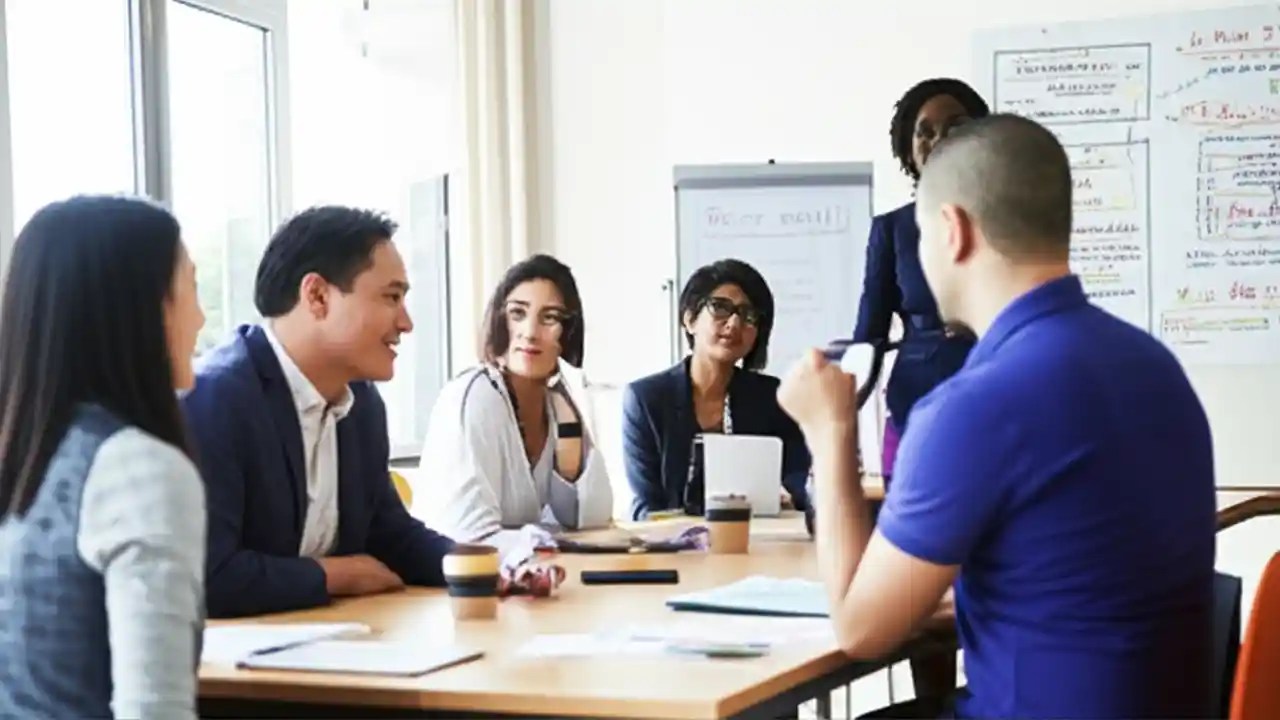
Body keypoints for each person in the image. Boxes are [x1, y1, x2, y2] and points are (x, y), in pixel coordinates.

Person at [779, 115, 1215, 719]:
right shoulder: (1153, 365)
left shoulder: (975, 405)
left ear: (952, 230)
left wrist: (829, 431)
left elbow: (860, 629)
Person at [183, 206, 455, 618]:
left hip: (334, 639)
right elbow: (208, 576)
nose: (406, 322)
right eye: (391, 297)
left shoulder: (361, 402)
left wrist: (490, 566)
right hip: (237, 654)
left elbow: (389, 535)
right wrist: (334, 575)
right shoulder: (215, 399)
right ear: (317, 296)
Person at [0, 196, 207, 719]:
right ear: (140, 308)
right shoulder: (136, 467)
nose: (202, 319)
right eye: (191, 287)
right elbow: (155, 711)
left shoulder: (24, 457)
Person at [413, 255, 613, 555]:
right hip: (450, 578)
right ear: (499, 320)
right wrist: (543, 542)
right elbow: (467, 539)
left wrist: (570, 422)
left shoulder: (556, 404)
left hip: (523, 578)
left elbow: (591, 517)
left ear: (568, 332)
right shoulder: (476, 397)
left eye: (550, 318)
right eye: (517, 313)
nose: (530, 332)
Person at [853, 78, 989, 486]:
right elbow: (868, 337)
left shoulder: (1006, 222)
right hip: (915, 405)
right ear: (908, 151)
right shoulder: (892, 230)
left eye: (956, 127)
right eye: (924, 132)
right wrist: (838, 418)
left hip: (995, 398)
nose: (940, 140)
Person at [623, 259, 809, 520]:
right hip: (674, 539)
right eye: (720, 308)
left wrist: (791, 495)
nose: (734, 323)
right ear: (690, 319)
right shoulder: (646, 399)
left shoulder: (773, 397)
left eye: (748, 315)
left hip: (757, 536)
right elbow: (646, 504)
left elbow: (801, 478)